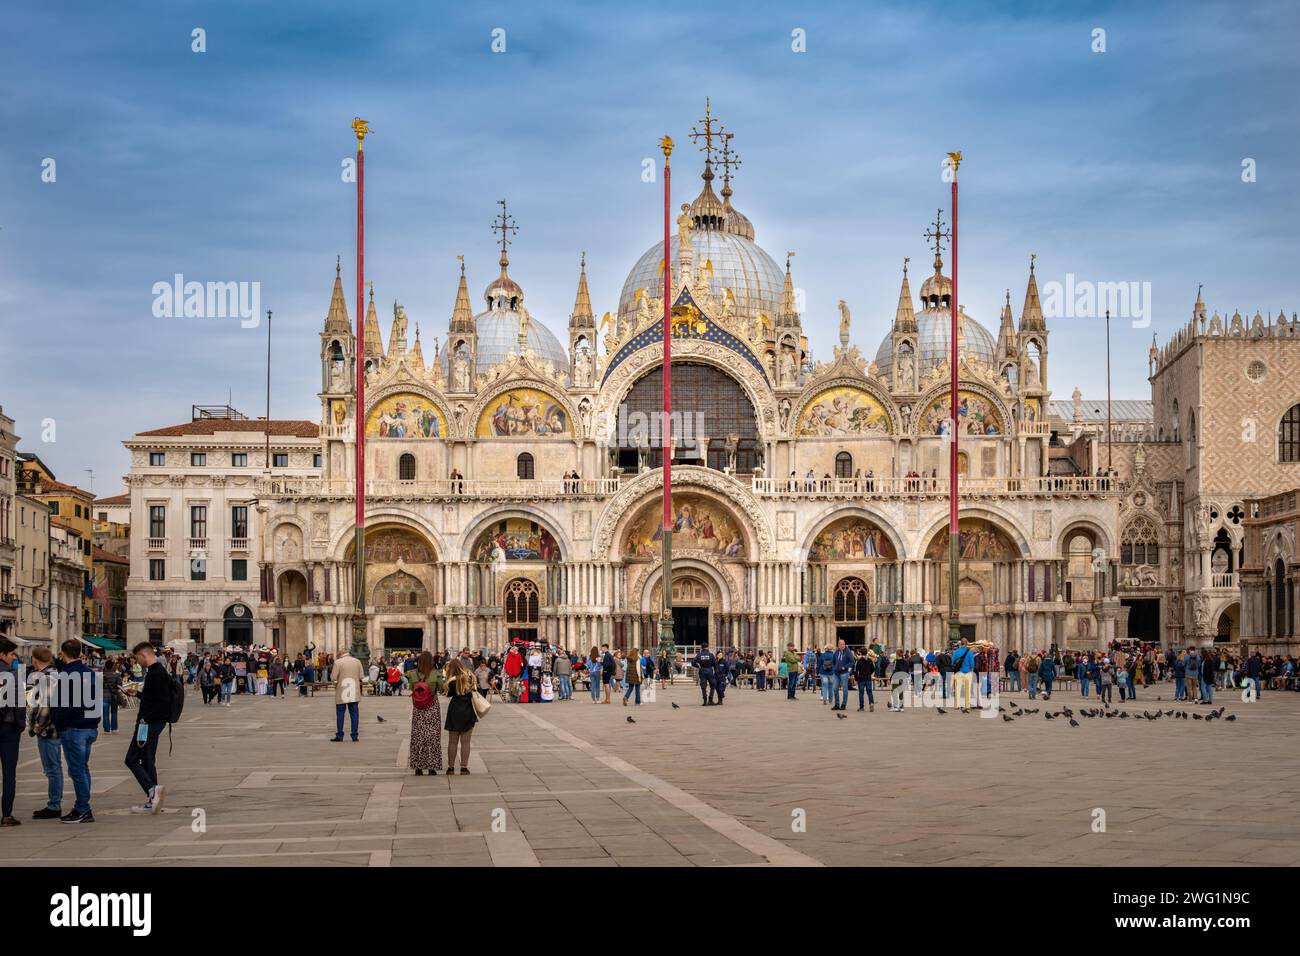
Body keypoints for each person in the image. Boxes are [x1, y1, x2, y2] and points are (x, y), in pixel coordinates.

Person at [51, 640, 99, 824]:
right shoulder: (89, 673)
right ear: (80, 652)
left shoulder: (67, 674)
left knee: (77, 770)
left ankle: (82, 809)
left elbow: (62, 704)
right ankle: (83, 806)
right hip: (90, 727)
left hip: (74, 728)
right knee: (83, 769)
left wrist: (58, 723)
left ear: (63, 654)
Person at [123, 642, 171, 814]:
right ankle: (153, 799)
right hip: (152, 723)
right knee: (147, 759)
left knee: (132, 759)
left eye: (137, 658)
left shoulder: (155, 673)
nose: (137, 662)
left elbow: (163, 701)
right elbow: (156, 698)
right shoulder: (157, 672)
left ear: (144, 655)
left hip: (147, 724)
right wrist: (139, 694)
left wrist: (146, 720)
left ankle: (152, 790)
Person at [25, 646, 64, 820]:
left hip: (48, 730)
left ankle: (54, 805)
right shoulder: (57, 674)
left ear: (35, 660)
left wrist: (36, 727)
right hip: (56, 728)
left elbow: (44, 707)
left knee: (52, 769)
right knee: (55, 768)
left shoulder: (46, 678)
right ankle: (55, 802)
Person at [406, 652, 444, 776]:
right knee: (432, 737)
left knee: (418, 737)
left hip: (418, 709)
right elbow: (442, 689)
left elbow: (411, 688)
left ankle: (418, 767)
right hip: (432, 707)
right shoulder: (436, 674)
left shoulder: (412, 674)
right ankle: (432, 767)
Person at [0, 638, 22, 827]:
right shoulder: (13, 675)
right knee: (9, 772)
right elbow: (18, 705)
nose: (14, 657)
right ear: (2, 655)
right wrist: (20, 724)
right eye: (12, 654)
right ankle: (6, 814)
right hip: (8, 728)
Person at [443, 659, 479, 775]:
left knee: (452, 742)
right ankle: (464, 767)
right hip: (467, 709)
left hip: (454, 710)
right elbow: (475, 690)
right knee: (466, 741)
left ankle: (451, 767)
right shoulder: (470, 677)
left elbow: (447, 694)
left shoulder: (451, 681)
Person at [330, 648, 364, 742]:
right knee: (354, 714)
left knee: (340, 713)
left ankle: (340, 735)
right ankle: (354, 735)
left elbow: (333, 677)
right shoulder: (357, 661)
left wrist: (336, 683)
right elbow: (361, 676)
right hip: (353, 690)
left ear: (340, 654)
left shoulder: (338, 662)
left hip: (342, 690)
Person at [950, 639, 976, 713]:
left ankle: (957, 705)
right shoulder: (970, 652)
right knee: (968, 690)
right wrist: (970, 669)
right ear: (967, 644)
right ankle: (967, 705)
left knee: (958, 689)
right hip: (968, 673)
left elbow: (952, 662)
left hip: (959, 673)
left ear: (960, 644)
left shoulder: (956, 652)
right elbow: (972, 664)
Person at [831, 639, 854, 711]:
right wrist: (834, 668)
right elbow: (833, 661)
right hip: (836, 673)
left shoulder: (848, 652)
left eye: (843, 644)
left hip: (844, 673)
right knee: (835, 688)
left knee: (845, 689)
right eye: (841, 644)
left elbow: (852, 662)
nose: (842, 646)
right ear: (838, 645)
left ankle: (843, 704)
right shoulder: (836, 652)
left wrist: (845, 667)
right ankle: (837, 704)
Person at [101, 660, 122, 733]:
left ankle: (107, 730)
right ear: (113, 666)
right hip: (114, 696)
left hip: (104, 696)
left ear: (105, 666)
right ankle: (114, 728)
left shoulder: (102, 675)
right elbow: (120, 685)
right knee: (114, 712)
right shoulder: (117, 675)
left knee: (105, 713)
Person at [853, 648, 876, 713]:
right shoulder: (870, 660)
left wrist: (856, 679)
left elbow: (856, 671)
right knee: (870, 692)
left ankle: (861, 707)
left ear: (860, 653)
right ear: (866, 653)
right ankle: (871, 703)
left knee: (861, 693)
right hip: (868, 678)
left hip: (861, 679)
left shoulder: (859, 661)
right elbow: (873, 669)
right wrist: (869, 673)